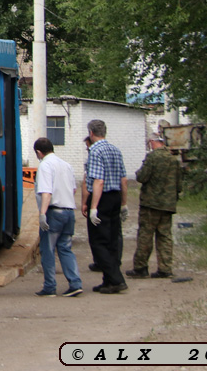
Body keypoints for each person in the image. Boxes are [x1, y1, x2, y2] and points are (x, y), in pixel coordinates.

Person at [127, 133, 183, 279]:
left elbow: (142, 177)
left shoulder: (152, 157)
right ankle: (165, 268)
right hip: (168, 204)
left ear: (152, 142)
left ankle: (141, 267)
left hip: (151, 204)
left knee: (145, 235)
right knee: (165, 236)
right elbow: (179, 184)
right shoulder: (173, 159)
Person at [33, 137, 83, 297]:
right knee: (65, 248)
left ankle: (50, 286)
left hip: (54, 212)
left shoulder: (45, 166)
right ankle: (75, 283)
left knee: (47, 250)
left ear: (39, 152)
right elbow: (74, 189)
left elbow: (46, 192)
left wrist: (42, 214)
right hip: (69, 211)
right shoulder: (66, 165)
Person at [82, 119, 128, 293]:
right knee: (112, 240)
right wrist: (124, 203)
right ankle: (108, 280)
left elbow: (98, 181)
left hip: (102, 198)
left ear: (91, 133)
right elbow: (124, 180)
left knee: (98, 241)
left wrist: (93, 207)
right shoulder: (115, 150)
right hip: (115, 196)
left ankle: (116, 279)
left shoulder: (95, 151)